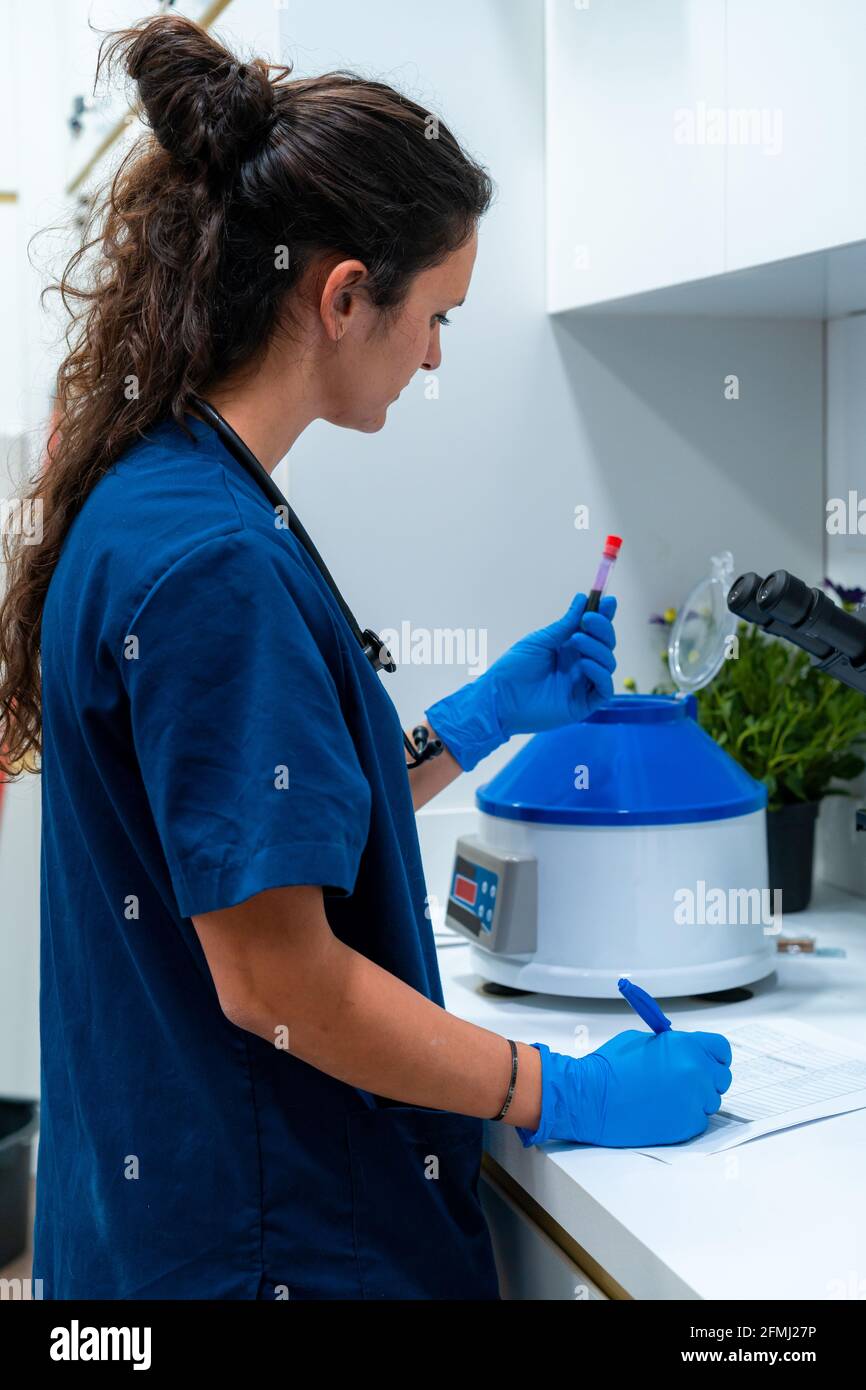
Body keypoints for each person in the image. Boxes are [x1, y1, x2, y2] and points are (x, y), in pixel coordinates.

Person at [0, 15, 731, 1300]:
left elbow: (255, 847)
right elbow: (278, 975)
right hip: (262, 1249)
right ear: (343, 296)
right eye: (436, 313)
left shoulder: (160, 499)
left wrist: (478, 716)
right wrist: (551, 1087)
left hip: (157, 1229)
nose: (437, 352)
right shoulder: (215, 562)